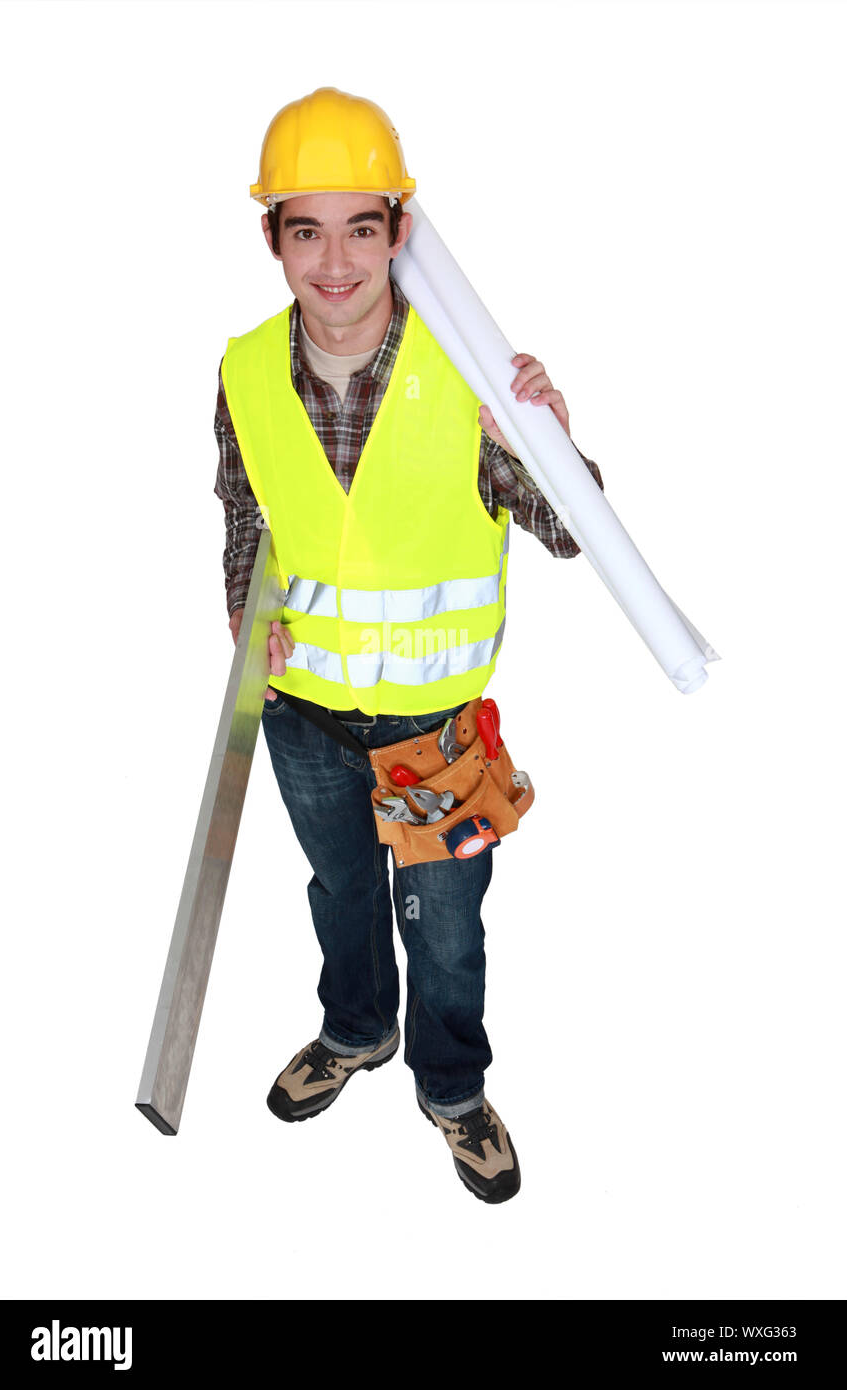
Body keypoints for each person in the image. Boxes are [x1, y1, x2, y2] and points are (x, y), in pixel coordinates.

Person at [214, 88, 605, 1204]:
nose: (334, 261)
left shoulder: (471, 366)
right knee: (340, 894)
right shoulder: (243, 369)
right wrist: (245, 610)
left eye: (360, 227)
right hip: (303, 722)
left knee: (444, 936)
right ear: (273, 238)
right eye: (305, 229)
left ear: (396, 229)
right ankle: (353, 1032)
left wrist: (549, 443)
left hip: (435, 734)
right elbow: (244, 511)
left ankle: (451, 1090)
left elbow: (572, 537)